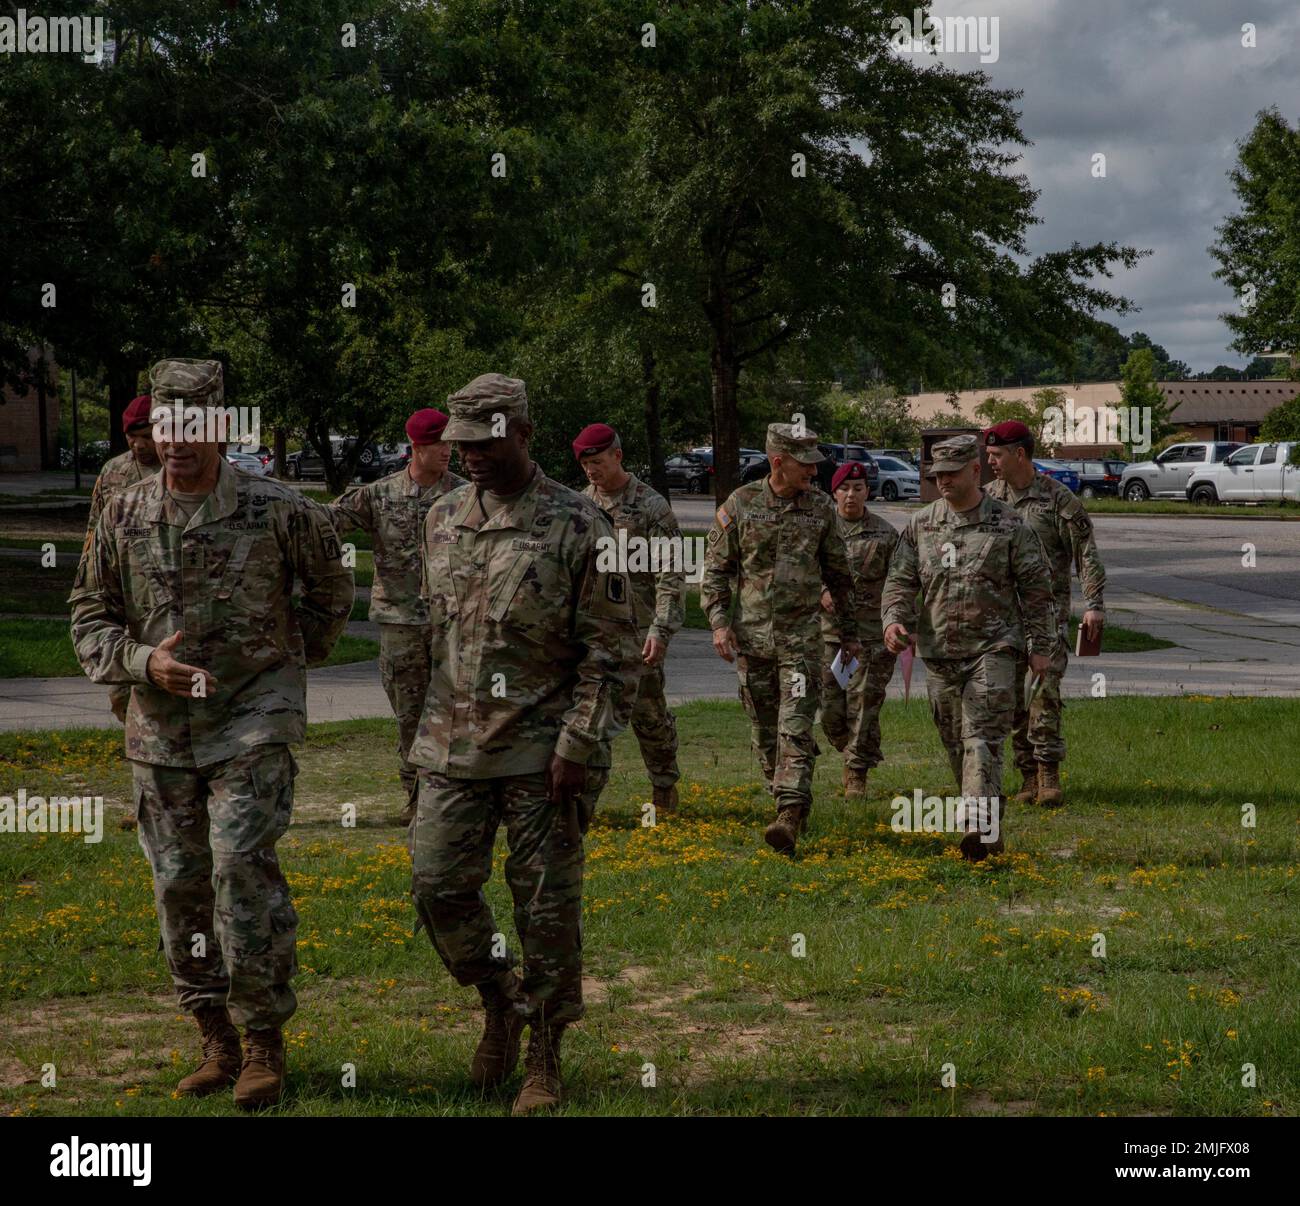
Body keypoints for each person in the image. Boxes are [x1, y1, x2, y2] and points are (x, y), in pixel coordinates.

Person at [69, 358, 353, 1108]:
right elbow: (89, 611)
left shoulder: (280, 509)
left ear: (221, 428)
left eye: (193, 428)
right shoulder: (123, 512)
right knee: (178, 888)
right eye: (166, 428)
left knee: (238, 867)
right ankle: (215, 1040)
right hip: (159, 732)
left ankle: (264, 1042)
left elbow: (330, 592)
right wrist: (139, 662)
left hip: (250, 720)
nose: (179, 444)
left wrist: (287, 670)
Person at [408, 374, 638, 1116]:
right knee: (437, 887)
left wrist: (579, 740)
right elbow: (432, 633)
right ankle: (499, 1000)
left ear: (524, 435)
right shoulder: (440, 517)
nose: (471, 456)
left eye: (486, 442)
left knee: (545, 907)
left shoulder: (581, 525)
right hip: (451, 744)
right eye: (461, 444)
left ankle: (543, 1048)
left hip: (547, 750)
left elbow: (612, 652)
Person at [880, 434, 1055, 861]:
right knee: (955, 742)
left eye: (951, 474)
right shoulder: (921, 525)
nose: (942, 481)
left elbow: (1036, 589)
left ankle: (978, 826)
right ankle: (986, 821)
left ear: (975, 471)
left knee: (981, 738)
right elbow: (900, 581)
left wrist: (1041, 645)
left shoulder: (1010, 524)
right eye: (936, 475)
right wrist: (894, 620)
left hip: (994, 648)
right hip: (939, 651)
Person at [700, 422, 859, 855]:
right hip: (752, 644)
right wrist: (719, 621)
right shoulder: (741, 504)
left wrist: (849, 633)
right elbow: (715, 571)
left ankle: (787, 813)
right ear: (777, 462)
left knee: (794, 724)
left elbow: (840, 578)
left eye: (814, 463)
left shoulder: (822, 509)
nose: (813, 471)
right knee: (765, 731)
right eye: (803, 463)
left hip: (801, 643)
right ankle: (789, 801)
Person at [328, 408, 466, 825]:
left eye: (450, 443)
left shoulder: (464, 495)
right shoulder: (380, 495)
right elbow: (324, 521)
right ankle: (416, 796)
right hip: (401, 623)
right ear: (416, 448)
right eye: (439, 444)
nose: (448, 451)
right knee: (410, 713)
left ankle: (453, 794)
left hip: (451, 623)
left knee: (454, 711)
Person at [983, 421, 1107, 806]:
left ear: (1020, 454)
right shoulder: (988, 499)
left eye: (997, 455)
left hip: (1046, 616)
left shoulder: (1058, 500)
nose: (991, 463)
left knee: (1043, 693)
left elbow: (1085, 553)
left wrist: (1094, 605)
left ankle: (1048, 770)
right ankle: (1026, 777)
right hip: (1002, 618)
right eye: (988, 456)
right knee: (1011, 698)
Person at [573, 422, 684, 813]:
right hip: (592, 633)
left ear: (618, 456)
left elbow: (671, 573)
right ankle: (582, 800)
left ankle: (664, 784)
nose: (592, 470)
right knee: (590, 715)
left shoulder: (651, 506)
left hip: (638, 632)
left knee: (649, 716)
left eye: (598, 461)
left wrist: (662, 629)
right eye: (586, 464)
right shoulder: (579, 505)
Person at [817, 462, 899, 798]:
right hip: (827, 634)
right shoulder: (820, 529)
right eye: (844, 489)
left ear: (868, 491)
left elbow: (900, 581)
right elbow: (799, 569)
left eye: (858, 488)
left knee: (863, 703)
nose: (851, 495)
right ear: (834, 493)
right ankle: (848, 746)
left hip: (869, 636)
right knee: (830, 709)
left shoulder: (885, 534)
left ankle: (856, 771)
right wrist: (819, 591)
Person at [83, 394, 163, 737]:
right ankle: (138, 734)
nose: (138, 443)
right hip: (123, 588)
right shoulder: (114, 472)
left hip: (166, 586)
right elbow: (93, 531)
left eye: (146, 435)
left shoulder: (177, 468)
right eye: (132, 436)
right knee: (121, 687)